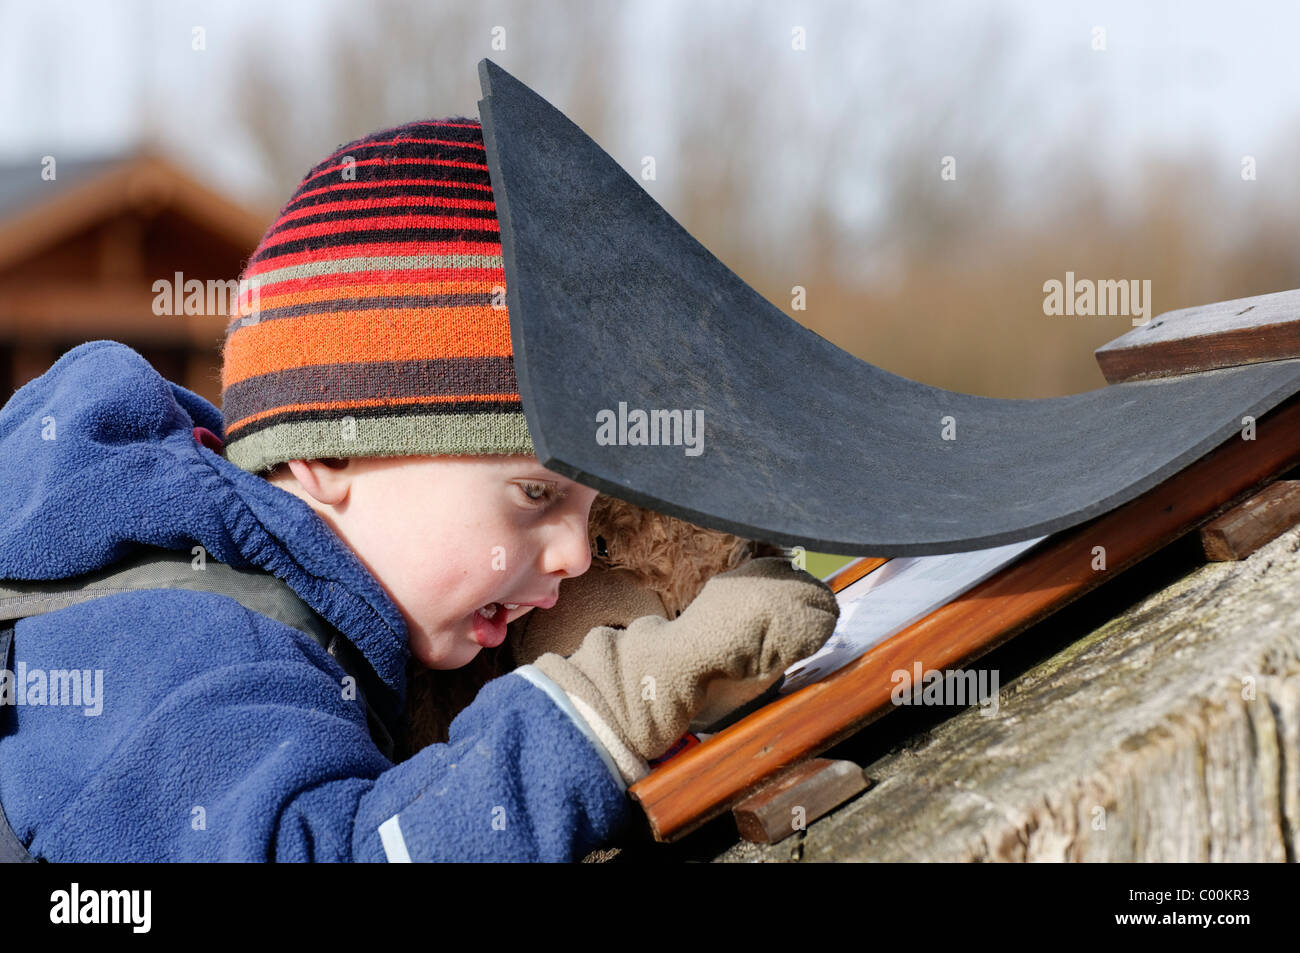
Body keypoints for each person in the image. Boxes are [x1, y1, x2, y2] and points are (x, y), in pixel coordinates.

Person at [0, 118, 837, 861]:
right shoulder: (196, 651)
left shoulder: (305, 605)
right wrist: (612, 700)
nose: (578, 551)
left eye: (593, 513)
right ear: (332, 456)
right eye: (535, 496)